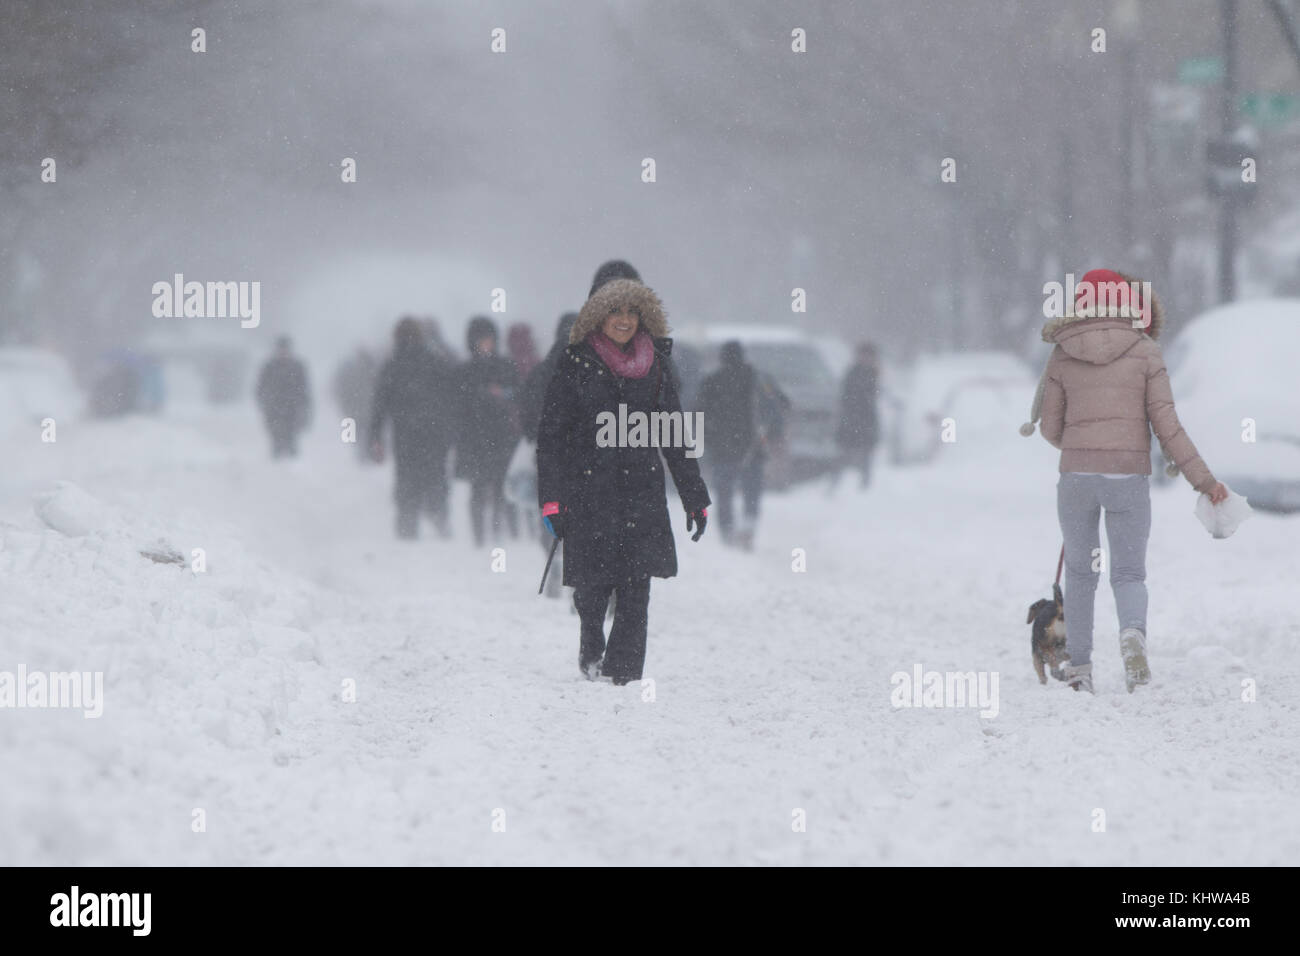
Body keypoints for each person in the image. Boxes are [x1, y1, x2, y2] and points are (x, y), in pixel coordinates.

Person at [1024, 269, 1228, 694]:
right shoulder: (1145, 352)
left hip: (1077, 478)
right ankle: (1132, 635)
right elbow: (1168, 427)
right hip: (1127, 477)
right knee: (1129, 573)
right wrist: (1204, 481)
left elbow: (1049, 427)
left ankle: (1079, 667)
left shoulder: (1062, 351)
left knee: (1081, 573)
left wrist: (1080, 445)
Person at [536, 264, 710, 684]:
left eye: (633, 310)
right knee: (593, 588)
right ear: (598, 313)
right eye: (615, 309)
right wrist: (552, 498)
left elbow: (675, 435)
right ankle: (591, 641)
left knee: (636, 589)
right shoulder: (575, 362)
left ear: (643, 315)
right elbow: (552, 438)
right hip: (588, 494)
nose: (624, 319)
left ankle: (624, 676)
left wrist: (695, 497)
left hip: (641, 494)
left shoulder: (657, 366)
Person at [369, 317, 456, 539]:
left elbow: (380, 405)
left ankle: (407, 528)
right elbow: (453, 397)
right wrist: (453, 429)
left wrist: (375, 438)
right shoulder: (435, 362)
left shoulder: (392, 366)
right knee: (436, 477)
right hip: (435, 433)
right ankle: (440, 521)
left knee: (407, 481)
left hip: (405, 435)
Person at [695, 340, 770, 549]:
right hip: (753, 446)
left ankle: (727, 531)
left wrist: (704, 445)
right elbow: (779, 403)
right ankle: (749, 524)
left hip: (722, 448)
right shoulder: (757, 379)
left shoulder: (711, 381)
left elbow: (699, 414)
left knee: (724, 492)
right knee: (752, 489)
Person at [454, 316, 520, 546]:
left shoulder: (505, 366)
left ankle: (501, 533)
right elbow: (457, 404)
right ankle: (479, 538)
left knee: (503, 486)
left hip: (502, 437)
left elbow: (519, 394)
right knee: (478, 487)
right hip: (475, 438)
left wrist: (502, 395)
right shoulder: (464, 370)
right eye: (481, 341)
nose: (486, 345)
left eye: (489, 340)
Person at [255, 336, 311, 458]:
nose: (283, 352)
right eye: (281, 349)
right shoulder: (269, 366)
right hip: (274, 408)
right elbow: (261, 386)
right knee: (276, 436)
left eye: (285, 349)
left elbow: (304, 388)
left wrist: (305, 407)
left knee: (291, 436)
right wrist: (263, 401)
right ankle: (277, 463)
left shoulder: (297, 367)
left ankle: (292, 464)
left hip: (292, 408)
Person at [834, 342, 881, 489]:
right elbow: (846, 397)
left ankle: (865, 487)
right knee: (843, 455)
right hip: (852, 419)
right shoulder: (853, 373)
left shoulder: (874, 373)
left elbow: (874, 398)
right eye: (863, 355)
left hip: (866, 420)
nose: (866, 359)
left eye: (869, 356)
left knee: (866, 456)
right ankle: (835, 485)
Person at [332, 345, 379, 461]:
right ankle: (364, 453)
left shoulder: (367, 371)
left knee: (360, 432)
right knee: (363, 432)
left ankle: (363, 453)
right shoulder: (372, 370)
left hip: (360, 409)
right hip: (364, 408)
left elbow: (345, 390)